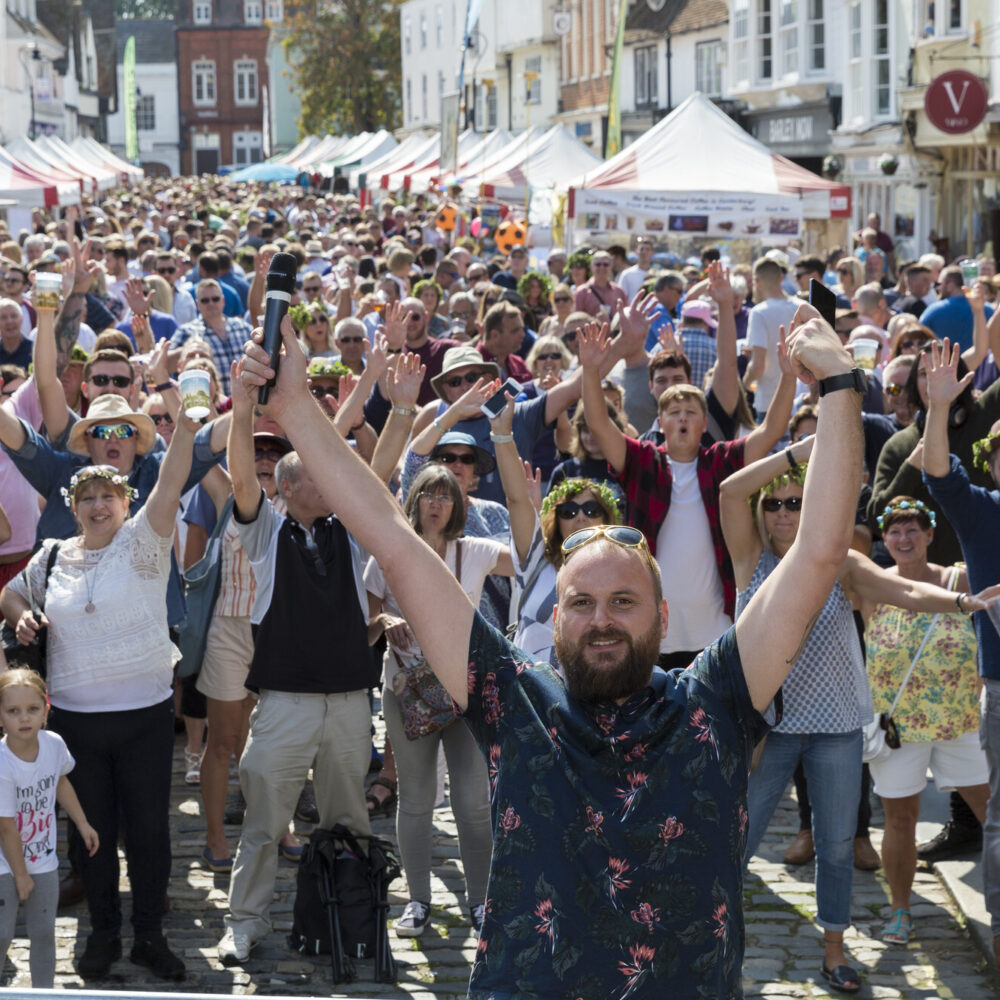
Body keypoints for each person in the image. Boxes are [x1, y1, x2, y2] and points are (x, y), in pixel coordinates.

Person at [235, 304, 866, 997]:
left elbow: (817, 556)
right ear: (553, 614)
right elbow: (392, 536)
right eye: (582, 603)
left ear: (660, 616)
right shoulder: (513, 693)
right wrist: (293, 409)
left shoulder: (714, 696)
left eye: (623, 603)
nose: (602, 621)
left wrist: (839, 387)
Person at [719, 432, 990, 992]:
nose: (786, 511)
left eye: (798, 501)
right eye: (775, 503)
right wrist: (799, 453)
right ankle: (715, 941)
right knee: (736, 837)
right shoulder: (752, 558)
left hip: (838, 729)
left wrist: (966, 601)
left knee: (838, 844)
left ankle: (835, 951)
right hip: (768, 729)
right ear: (762, 514)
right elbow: (728, 489)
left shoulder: (838, 560)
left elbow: (906, 594)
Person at [0, 413, 201, 982]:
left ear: (124, 501)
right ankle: (103, 934)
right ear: (73, 504)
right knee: (89, 833)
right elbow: (11, 596)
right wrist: (23, 619)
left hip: (144, 718)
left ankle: (149, 937)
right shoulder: (53, 556)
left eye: (107, 495)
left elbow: (171, 483)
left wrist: (183, 432)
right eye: (85, 497)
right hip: (77, 724)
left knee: (148, 834)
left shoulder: (145, 542)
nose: (96, 505)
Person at [216, 368, 378, 967]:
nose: (333, 481)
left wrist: (378, 394)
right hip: (284, 703)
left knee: (348, 821)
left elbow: (369, 468)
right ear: (287, 486)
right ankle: (245, 923)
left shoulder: (354, 530)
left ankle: (352, 917)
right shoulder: (265, 530)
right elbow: (239, 472)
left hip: (348, 702)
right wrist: (243, 409)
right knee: (263, 825)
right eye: (317, 474)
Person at [366, 464, 512, 937]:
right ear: (414, 501)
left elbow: (531, 556)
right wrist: (384, 623)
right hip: (407, 693)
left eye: (445, 496)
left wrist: (528, 502)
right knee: (416, 801)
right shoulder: (389, 553)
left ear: (457, 507)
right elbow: (363, 625)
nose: (435, 502)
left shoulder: (473, 551)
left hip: (464, 694)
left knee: (472, 804)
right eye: (427, 493)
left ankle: (480, 904)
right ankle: (418, 902)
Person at [863, 495, 989, 946]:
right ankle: (900, 910)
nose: (904, 538)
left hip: (960, 722)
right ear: (885, 539)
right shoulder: (872, 586)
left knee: (990, 812)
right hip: (898, 728)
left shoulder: (960, 577)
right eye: (894, 531)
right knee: (900, 819)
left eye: (913, 529)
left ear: (930, 535)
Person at [922, 339, 1000, 968]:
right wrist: (939, 408)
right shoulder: (982, 515)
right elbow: (937, 474)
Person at [491, 392, 621, 667]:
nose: (581, 518)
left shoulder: (621, 571)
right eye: (569, 511)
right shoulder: (535, 561)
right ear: (557, 521)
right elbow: (516, 500)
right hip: (531, 700)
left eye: (591, 510)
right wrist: (502, 434)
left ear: (606, 519)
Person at [0, 669, 99, 988]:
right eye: (13, 711)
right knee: (1, 934)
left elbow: (60, 781)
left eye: (32, 709)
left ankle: (42, 993)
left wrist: (82, 822)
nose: (23, 718)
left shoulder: (54, 744)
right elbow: (5, 827)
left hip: (43, 861)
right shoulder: (2, 763)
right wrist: (20, 874)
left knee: (43, 932)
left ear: (46, 710)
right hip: (5, 865)